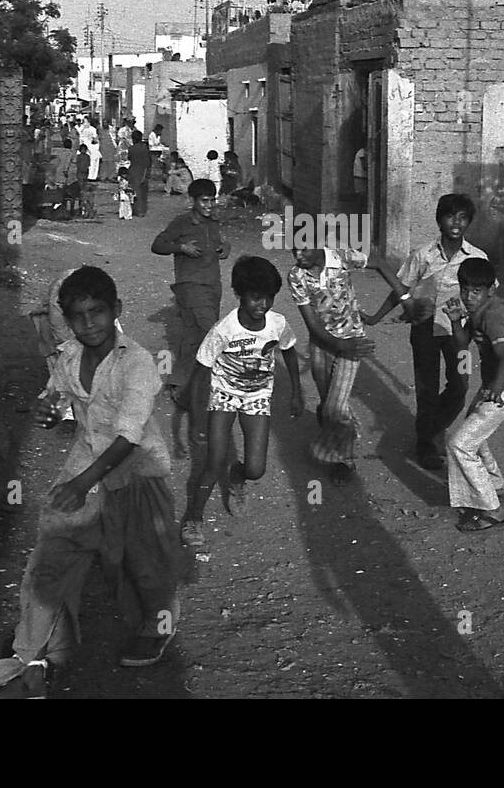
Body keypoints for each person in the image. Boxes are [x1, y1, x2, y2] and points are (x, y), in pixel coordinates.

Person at [0, 267, 179, 697]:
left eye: (97, 312)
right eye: (78, 316)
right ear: (67, 321)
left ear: (116, 312)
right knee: (52, 549)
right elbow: (55, 396)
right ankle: (33, 648)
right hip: (86, 463)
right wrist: (49, 412)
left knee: (144, 562)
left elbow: (128, 435)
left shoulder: (137, 363)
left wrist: (82, 483)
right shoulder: (69, 356)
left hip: (138, 472)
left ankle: (158, 624)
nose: (89, 324)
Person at [179, 256, 304, 548]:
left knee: (256, 469)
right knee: (213, 462)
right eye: (256, 297)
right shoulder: (224, 330)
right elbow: (201, 371)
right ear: (239, 294)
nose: (262, 305)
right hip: (224, 393)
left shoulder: (277, 324)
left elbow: (290, 350)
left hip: (257, 396)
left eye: (269, 298)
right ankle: (193, 518)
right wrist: (196, 420)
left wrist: (298, 391)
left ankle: (237, 477)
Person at [363, 193, 489, 470]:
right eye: (450, 216)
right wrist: (375, 317)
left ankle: (429, 430)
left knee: (460, 386)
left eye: (462, 218)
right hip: (424, 331)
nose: (456, 223)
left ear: (468, 222)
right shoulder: (423, 255)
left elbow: (487, 298)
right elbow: (402, 288)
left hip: (459, 334)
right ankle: (425, 444)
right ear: (439, 219)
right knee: (427, 389)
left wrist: (486, 332)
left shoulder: (478, 257)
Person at [440, 258, 504, 532]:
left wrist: (496, 392)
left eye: (476, 291)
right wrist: (455, 321)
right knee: (473, 434)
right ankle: (495, 483)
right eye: (465, 289)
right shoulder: (480, 311)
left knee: (459, 443)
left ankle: (492, 510)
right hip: (497, 385)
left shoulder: (492, 315)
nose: (468, 296)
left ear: (491, 289)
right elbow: (462, 343)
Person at [288, 245, 378, 484]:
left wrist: (405, 298)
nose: (299, 256)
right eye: (293, 251)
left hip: (353, 341)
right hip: (322, 343)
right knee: (331, 402)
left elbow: (380, 262)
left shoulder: (342, 257)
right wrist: (337, 345)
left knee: (334, 409)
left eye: (304, 250)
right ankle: (346, 427)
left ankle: (343, 459)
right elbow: (312, 323)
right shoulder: (296, 276)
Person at [151, 179, 230, 400]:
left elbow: (223, 244)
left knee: (194, 337)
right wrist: (181, 247)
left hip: (213, 286)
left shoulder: (213, 222)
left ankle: (178, 383)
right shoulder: (181, 223)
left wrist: (225, 248)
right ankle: (205, 387)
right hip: (190, 287)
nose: (209, 205)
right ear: (192, 201)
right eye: (204, 201)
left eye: (212, 200)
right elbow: (157, 245)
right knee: (210, 332)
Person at [128, 129, 152, 218]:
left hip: (133, 171)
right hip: (143, 171)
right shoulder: (144, 148)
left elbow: (129, 158)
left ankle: (135, 210)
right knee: (143, 193)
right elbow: (148, 162)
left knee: (134, 192)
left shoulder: (131, 148)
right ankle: (142, 211)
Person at [73, 144, 91, 218]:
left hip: (84, 172)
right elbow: (77, 165)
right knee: (81, 187)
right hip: (80, 172)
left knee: (84, 186)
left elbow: (88, 164)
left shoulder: (87, 156)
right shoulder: (79, 157)